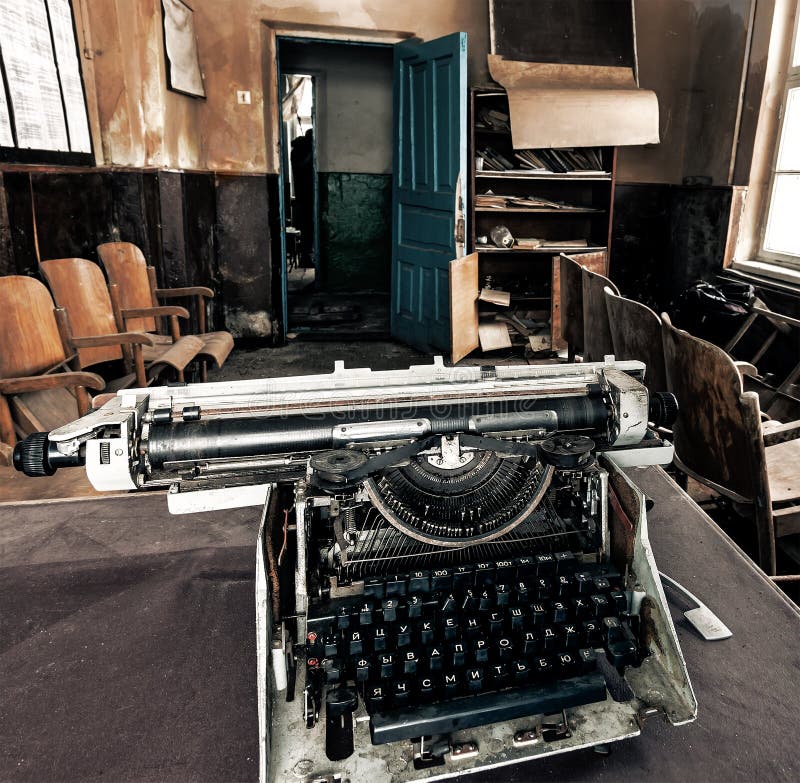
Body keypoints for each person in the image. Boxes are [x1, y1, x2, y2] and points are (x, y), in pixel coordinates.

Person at [290, 129, 315, 268]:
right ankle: (305, 258)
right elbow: (302, 165)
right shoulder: (299, 151)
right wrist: (312, 152)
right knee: (307, 228)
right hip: (304, 195)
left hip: (304, 195)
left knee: (308, 228)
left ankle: (307, 257)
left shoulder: (299, 149)